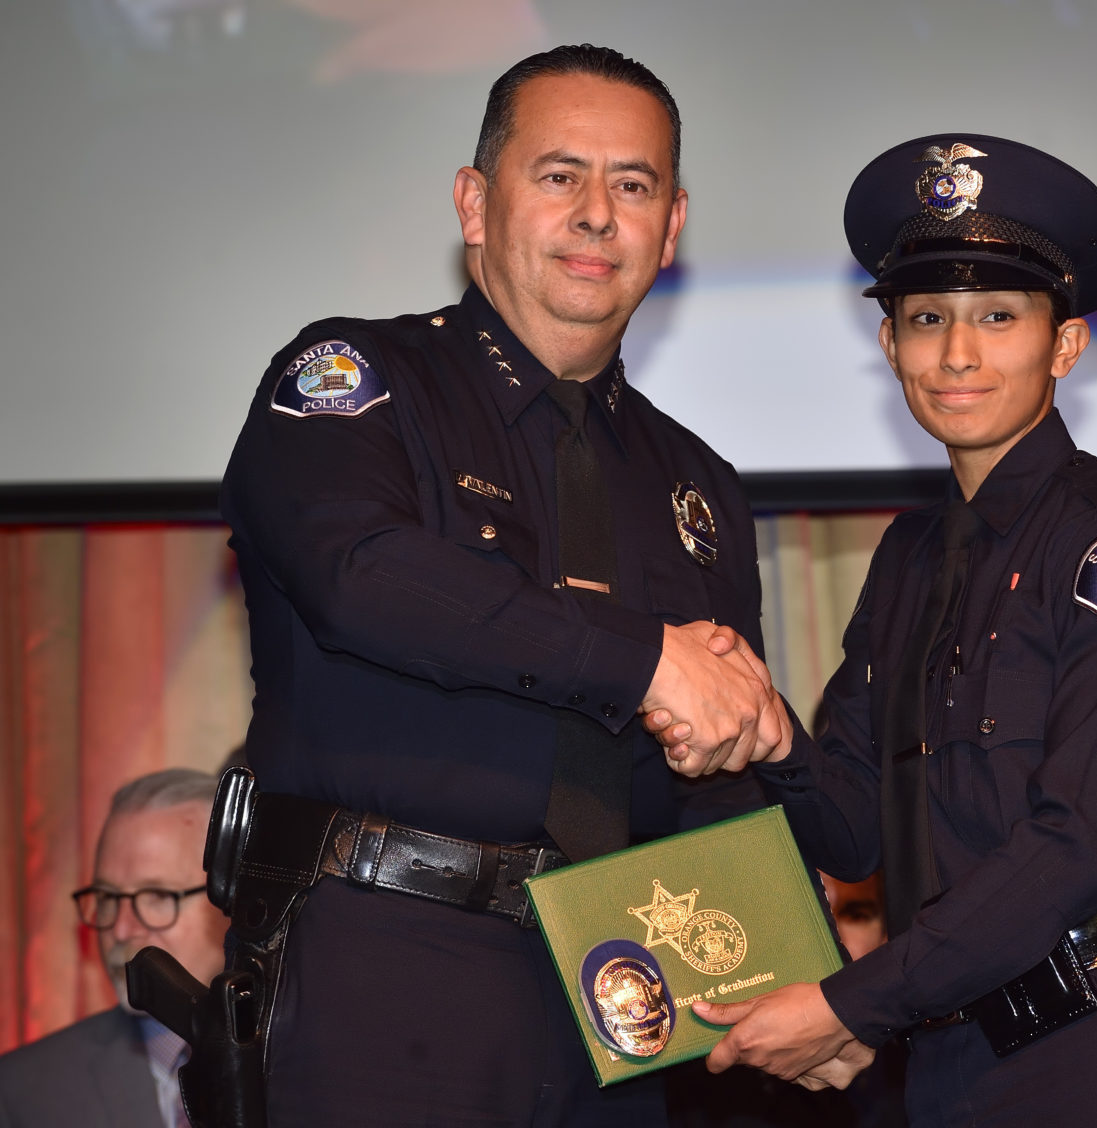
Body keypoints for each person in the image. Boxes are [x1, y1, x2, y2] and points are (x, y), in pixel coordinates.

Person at [647, 135, 1097, 1124]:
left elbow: (1078, 844)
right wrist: (768, 734)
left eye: (998, 317)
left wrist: (850, 1005)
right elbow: (853, 829)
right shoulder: (910, 557)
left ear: (1065, 345)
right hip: (945, 1066)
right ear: (889, 344)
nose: (958, 354)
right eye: (927, 318)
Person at [219, 44, 778, 1126]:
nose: (598, 214)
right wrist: (643, 657)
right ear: (476, 203)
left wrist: (788, 983)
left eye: (634, 185)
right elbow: (360, 576)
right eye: (559, 174)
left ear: (672, 226)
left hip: (625, 1000)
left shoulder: (697, 483)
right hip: (386, 965)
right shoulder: (357, 381)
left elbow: (714, 773)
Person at [0, 768, 225, 1128]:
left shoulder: (318, 1060)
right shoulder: (23, 1091)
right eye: (106, 898)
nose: (120, 929)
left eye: (156, 896)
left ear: (231, 899)